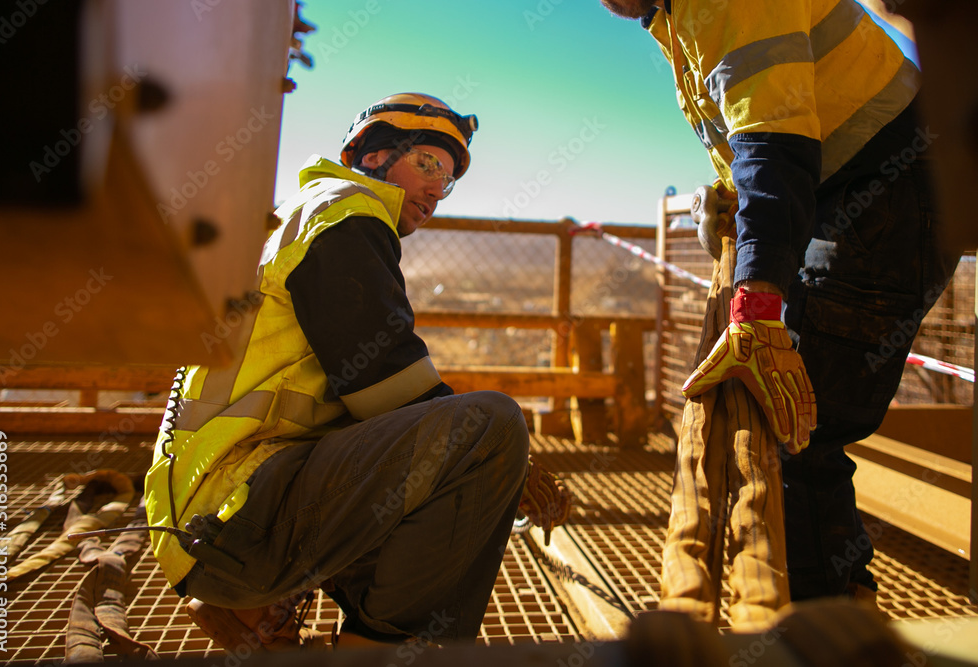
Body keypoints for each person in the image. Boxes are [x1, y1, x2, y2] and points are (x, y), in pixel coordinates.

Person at [143, 93, 564, 650]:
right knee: (489, 428)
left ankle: (259, 612)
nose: (438, 189)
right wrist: (511, 465)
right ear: (371, 156)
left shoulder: (304, 212)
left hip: (215, 515)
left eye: (449, 179)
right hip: (233, 522)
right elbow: (388, 387)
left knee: (433, 466)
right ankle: (379, 649)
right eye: (430, 164)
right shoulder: (345, 213)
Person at [599, 0, 961, 606]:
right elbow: (769, 120)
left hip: (890, 193)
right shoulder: (673, 16)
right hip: (857, 192)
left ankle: (829, 627)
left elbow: (777, 142)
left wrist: (756, 313)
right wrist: (732, 194)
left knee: (794, 422)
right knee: (794, 413)